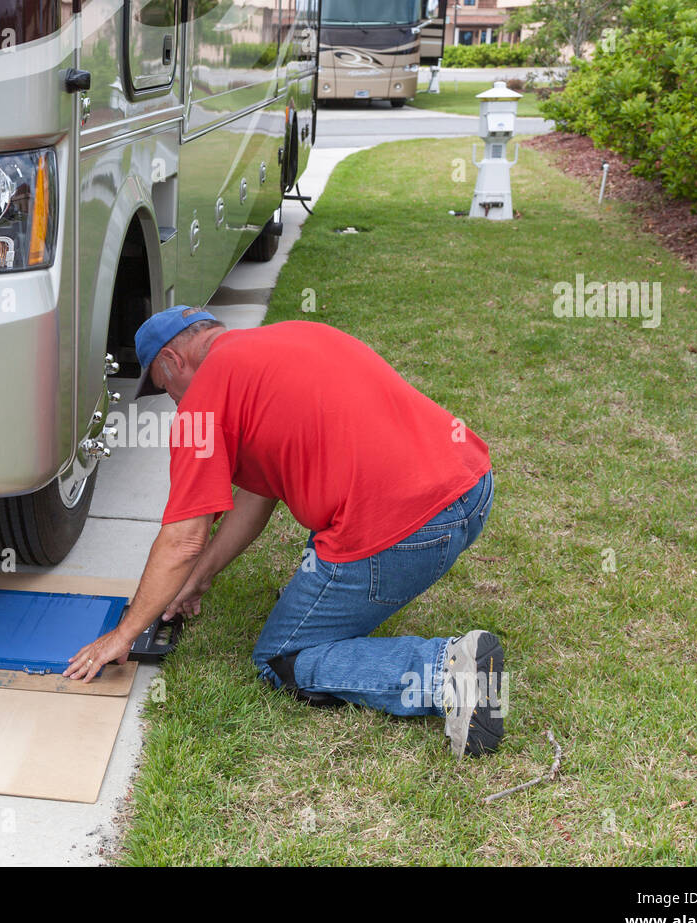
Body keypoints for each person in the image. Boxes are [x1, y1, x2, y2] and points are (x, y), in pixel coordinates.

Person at [65, 306, 504, 757]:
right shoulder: (289, 339)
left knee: (283, 656)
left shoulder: (203, 404)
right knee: (333, 527)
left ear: (174, 361)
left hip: (410, 531)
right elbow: (259, 495)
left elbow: (183, 539)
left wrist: (124, 634)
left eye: (163, 386)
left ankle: (447, 673)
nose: (173, 401)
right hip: (472, 488)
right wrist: (199, 578)